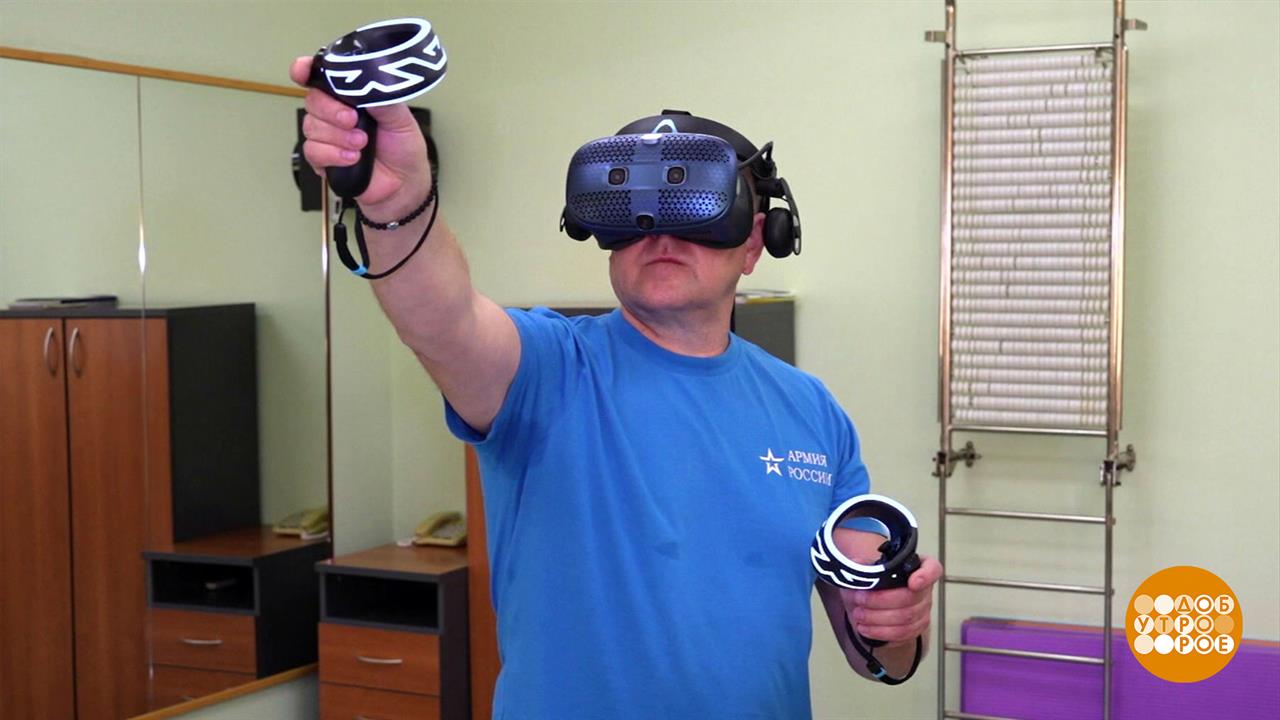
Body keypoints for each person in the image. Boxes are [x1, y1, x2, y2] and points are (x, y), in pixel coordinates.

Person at [292, 56, 942, 719]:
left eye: (696, 206)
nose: (661, 232)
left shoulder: (811, 412)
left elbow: (878, 651)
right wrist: (398, 205)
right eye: (633, 208)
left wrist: (897, 622)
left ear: (754, 242)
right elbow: (444, 320)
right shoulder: (547, 370)